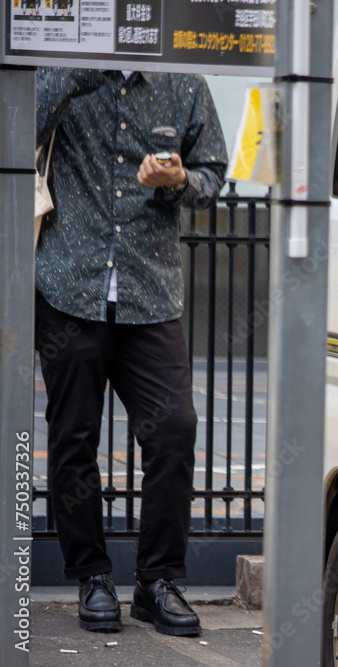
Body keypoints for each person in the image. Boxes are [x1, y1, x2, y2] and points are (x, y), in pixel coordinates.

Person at [34, 68, 228, 636]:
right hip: (70, 286)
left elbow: (212, 176)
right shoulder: (60, 68)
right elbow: (17, 128)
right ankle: (91, 576)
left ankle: (158, 580)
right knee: (73, 436)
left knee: (174, 430)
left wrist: (175, 179)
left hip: (151, 293)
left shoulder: (184, 81)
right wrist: (79, 69)